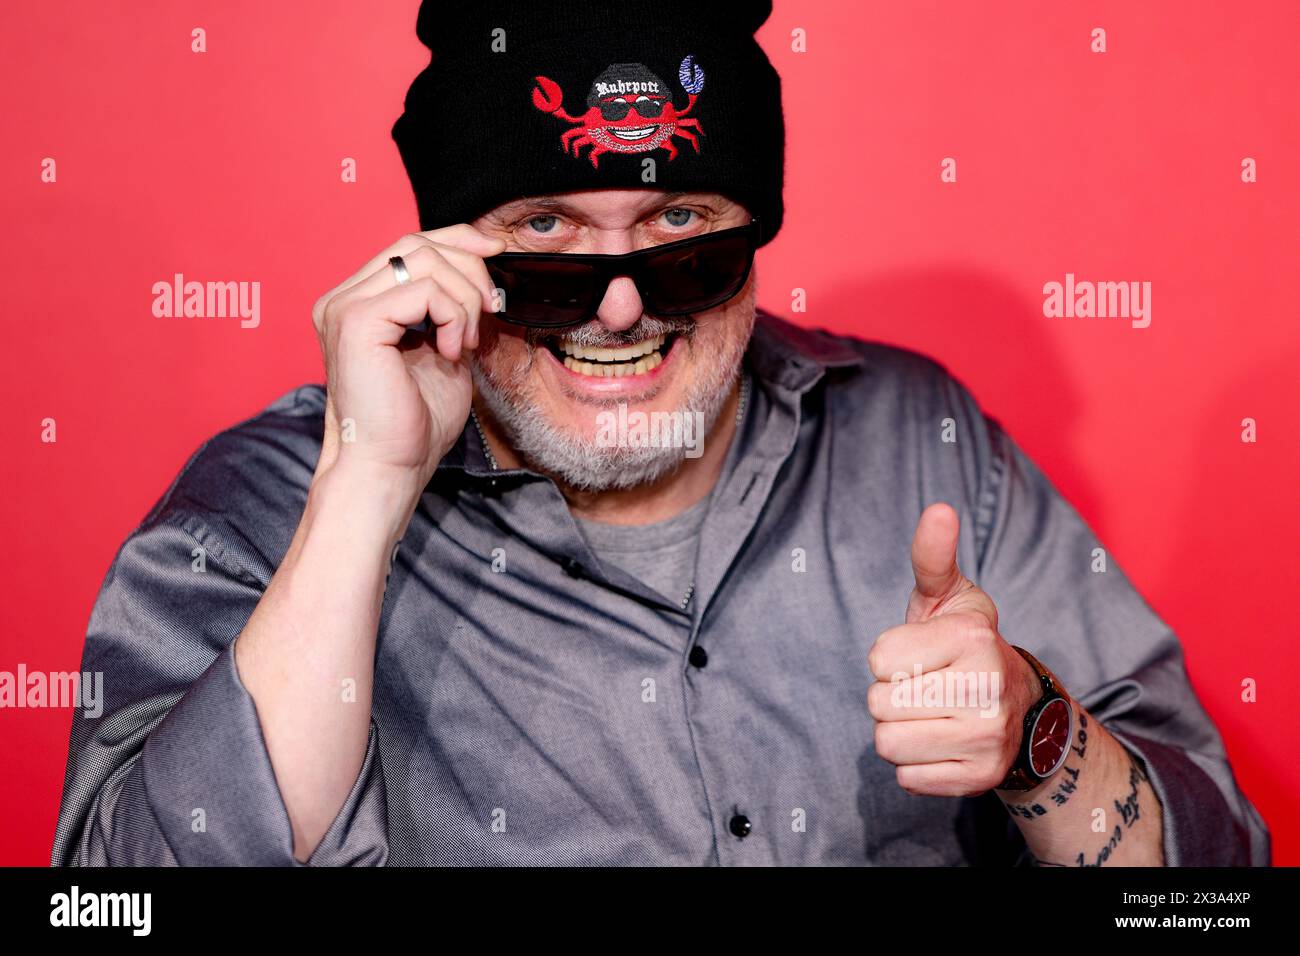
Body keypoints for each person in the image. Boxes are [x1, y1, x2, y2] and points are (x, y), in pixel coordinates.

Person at [53, 0, 1268, 866]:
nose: (623, 304)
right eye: (546, 239)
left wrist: (1030, 727)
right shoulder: (265, 506)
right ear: (440, 258)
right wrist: (366, 486)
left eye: (684, 228)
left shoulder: (918, 433)